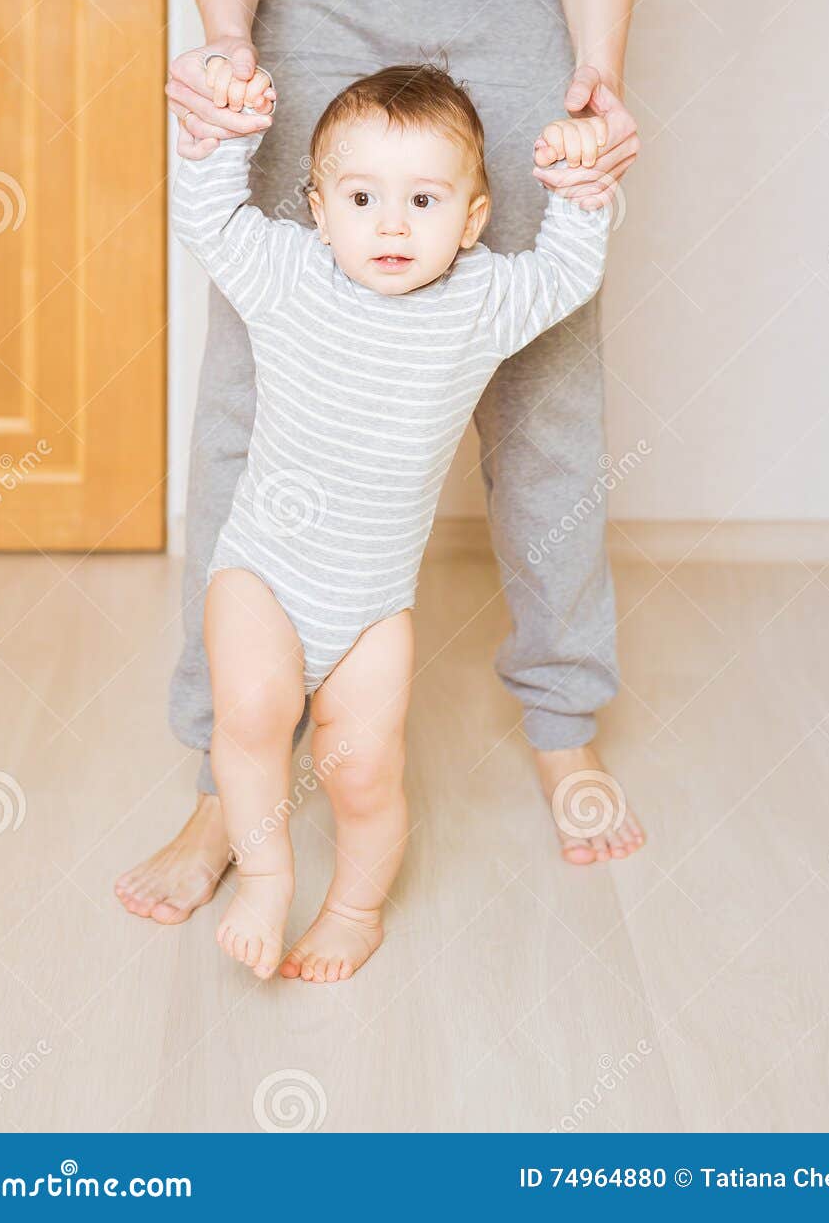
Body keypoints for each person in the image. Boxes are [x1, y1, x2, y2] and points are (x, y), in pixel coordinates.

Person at [116, 0, 646, 926]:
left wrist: (594, 66)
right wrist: (226, 43)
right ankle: (223, 773)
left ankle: (561, 726)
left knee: (543, 375)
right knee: (257, 374)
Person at [171, 64, 618, 980]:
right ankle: (263, 873)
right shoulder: (287, 273)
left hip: (373, 603)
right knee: (252, 714)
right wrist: (230, 136)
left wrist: (580, 186)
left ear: (474, 219)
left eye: (424, 199)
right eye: (362, 197)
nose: (391, 223)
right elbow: (208, 220)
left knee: (362, 769)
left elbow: (570, 270)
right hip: (261, 568)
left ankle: (353, 907)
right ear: (317, 207)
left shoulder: (484, 301)